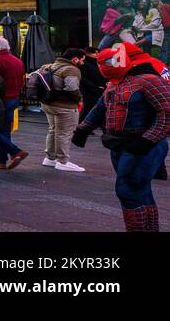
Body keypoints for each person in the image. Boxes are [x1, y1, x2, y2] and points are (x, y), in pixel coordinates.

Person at [73, 42, 170, 231]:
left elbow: (166, 112)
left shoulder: (148, 80)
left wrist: (148, 139)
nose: (103, 67)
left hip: (142, 144)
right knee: (140, 190)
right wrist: (83, 129)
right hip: (120, 144)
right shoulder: (115, 83)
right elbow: (100, 108)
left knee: (128, 189)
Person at [33, 48, 85, 172]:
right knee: (64, 133)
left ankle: (50, 158)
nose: (83, 63)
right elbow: (72, 88)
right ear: (75, 59)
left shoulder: (50, 66)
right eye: (82, 60)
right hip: (65, 107)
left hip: (48, 104)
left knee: (53, 130)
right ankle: (63, 161)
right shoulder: (71, 69)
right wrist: (80, 99)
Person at [0, 35, 28, 169]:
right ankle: (1, 160)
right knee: (5, 130)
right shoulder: (17, 61)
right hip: (13, 99)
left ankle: (15, 151)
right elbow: (22, 80)